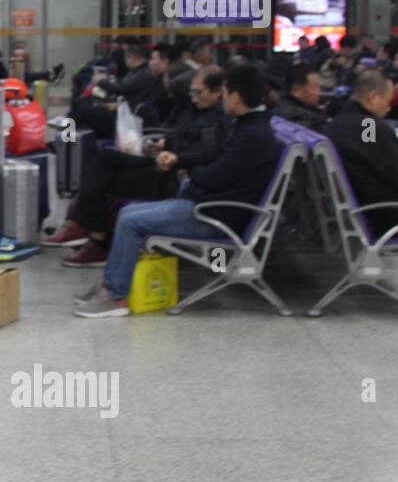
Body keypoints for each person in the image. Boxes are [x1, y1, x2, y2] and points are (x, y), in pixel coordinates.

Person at [74, 64, 280, 318]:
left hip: (214, 216)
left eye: (225, 92)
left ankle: (116, 295)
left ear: (236, 96)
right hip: (209, 205)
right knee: (128, 211)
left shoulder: (252, 136)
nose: (222, 97)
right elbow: (212, 156)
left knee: (129, 220)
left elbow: (217, 176)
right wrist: (179, 160)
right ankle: (112, 282)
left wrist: (187, 174)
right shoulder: (248, 126)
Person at [46, 66, 228, 266]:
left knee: (104, 174)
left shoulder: (218, 122)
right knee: (103, 159)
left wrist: (177, 158)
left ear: (218, 91)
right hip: (160, 158)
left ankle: (89, 233)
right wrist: (164, 142)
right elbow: (178, 132)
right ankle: (90, 234)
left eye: (198, 92)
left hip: (171, 174)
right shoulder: (192, 108)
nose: (193, 96)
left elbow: (206, 156)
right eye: (192, 91)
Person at [325, 70, 398, 236]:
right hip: (390, 213)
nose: (389, 107)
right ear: (374, 97)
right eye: (387, 100)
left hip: (368, 206)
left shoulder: (340, 122)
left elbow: (379, 154)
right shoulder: (368, 127)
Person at [274, 65, 326, 132]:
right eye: (314, 87)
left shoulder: (282, 106)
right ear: (297, 89)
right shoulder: (299, 120)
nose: (319, 92)